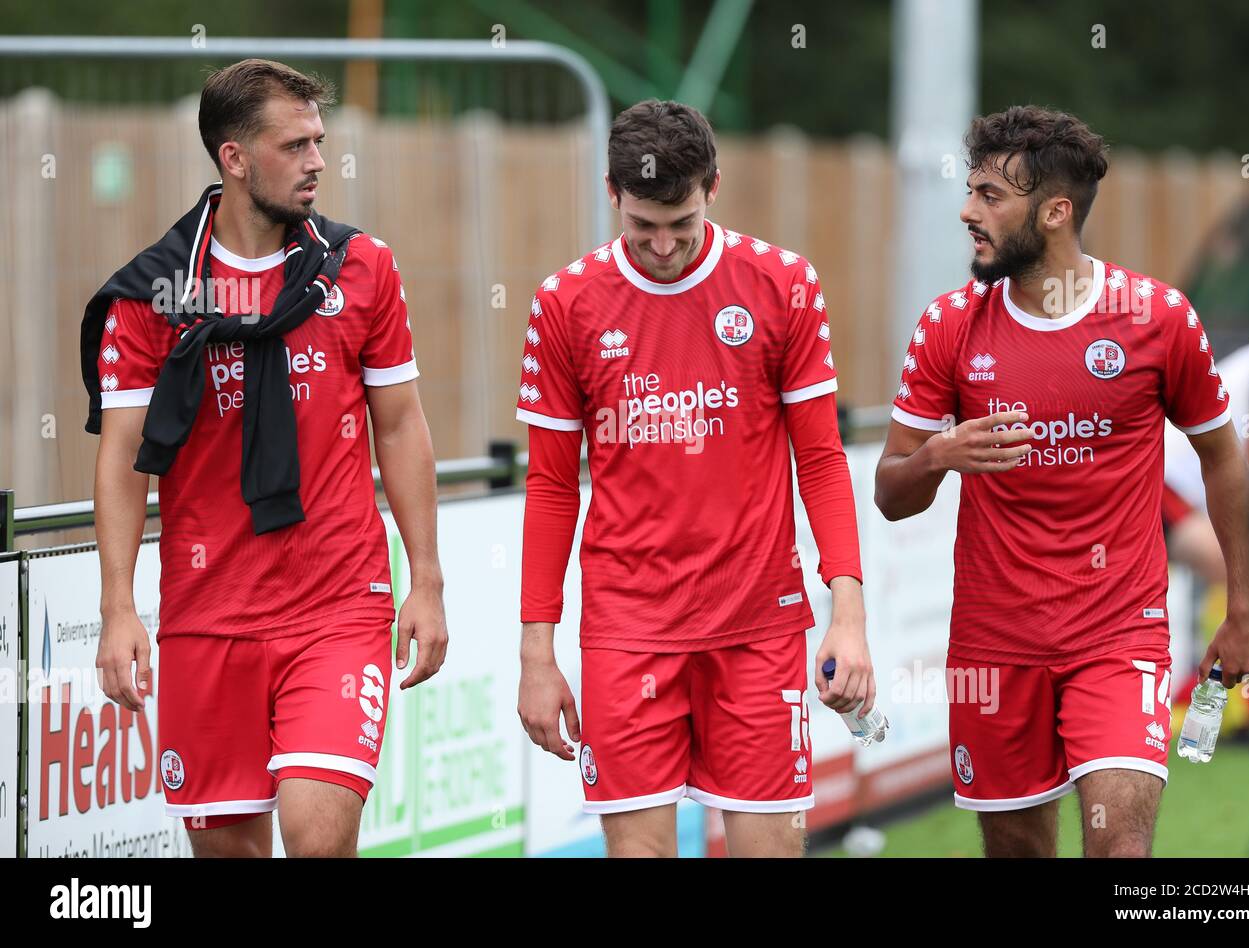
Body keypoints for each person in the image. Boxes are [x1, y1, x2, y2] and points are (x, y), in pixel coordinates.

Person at [874, 105, 1249, 857]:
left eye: (990, 197)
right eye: (971, 191)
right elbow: (890, 493)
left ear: (1055, 212)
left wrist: (1244, 606)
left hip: (1119, 635)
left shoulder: (1156, 319)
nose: (967, 211)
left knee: (1120, 846)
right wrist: (936, 457)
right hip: (993, 647)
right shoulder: (949, 327)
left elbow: (1223, 457)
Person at [80, 59, 448, 857]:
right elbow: (122, 459)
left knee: (318, 838)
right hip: (207, 615)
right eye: (296, 145)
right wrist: (117, 608)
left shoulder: (361, 268)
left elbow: (401, 425)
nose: (319, 161)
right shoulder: (154, 294)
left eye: (320, 141)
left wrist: (426, 578)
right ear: (235, 159)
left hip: (340, 605)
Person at [514, 99, 871, 857]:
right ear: (612, 194)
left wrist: (848, 611)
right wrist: (537, 656)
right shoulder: (565, 302)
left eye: (682, 225)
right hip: (627, 634)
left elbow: (820, 457)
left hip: (759, 628)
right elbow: (550, 487)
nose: (665, 248)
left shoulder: (782, 284)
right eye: (643, 228)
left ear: (714, 185)